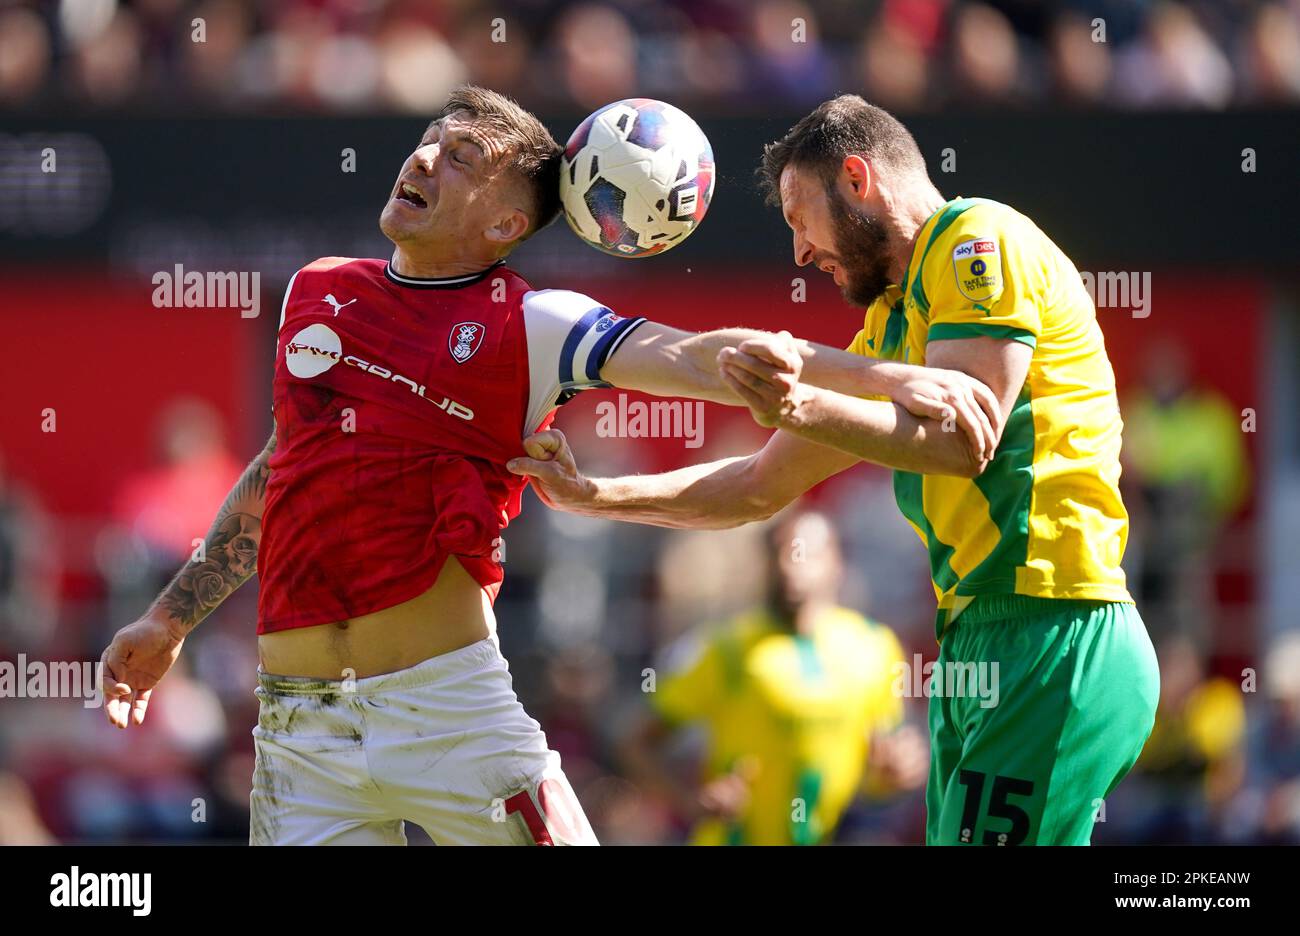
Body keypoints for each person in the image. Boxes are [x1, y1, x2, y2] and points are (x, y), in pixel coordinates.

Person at [99, 86, 996, 846]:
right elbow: (279, 470)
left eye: (458, 158)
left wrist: (902, 377)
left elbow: (703, 355)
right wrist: (170, 619)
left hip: (449, 712)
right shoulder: (318, 289)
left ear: (505, 222)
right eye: (426, 143)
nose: (421, 160)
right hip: (299, 728)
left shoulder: (536, 323)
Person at [510, 94, 1160, 845]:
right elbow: (757, 486)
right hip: (980, 637)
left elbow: (960, 439)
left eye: (799, 218)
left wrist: (801, 404)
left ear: (857, 179)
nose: (799, 253)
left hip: (1054, 628)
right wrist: (593, 496)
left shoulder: (977, 241)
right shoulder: (888, 325)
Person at [621, 510, 926, 845]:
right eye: (779, 552)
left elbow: (880, 768)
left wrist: (895, 776)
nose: (790, 565)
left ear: (837, 561)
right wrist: (690, 800)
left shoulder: (873, 647)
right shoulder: (726, 648)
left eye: (806, 553)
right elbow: (636, 743)